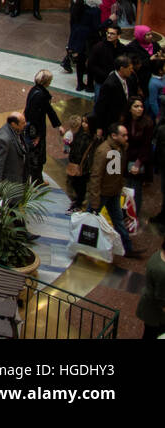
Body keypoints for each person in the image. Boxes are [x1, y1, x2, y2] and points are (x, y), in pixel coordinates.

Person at [87, 123, 140, 256]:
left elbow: (117, 171)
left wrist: (120, 186)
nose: (126, 138)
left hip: (113, 192)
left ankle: (128, 249)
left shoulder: (119, 148)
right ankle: (84, 246)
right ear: (114, 136)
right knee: (89, 222)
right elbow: (96, 176)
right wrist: (94, 200)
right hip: (102, 194)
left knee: (119, 221)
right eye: (124, 135)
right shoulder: (104, 151)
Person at [92, 55, 135, 138]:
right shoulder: (109, 84)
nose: (132, 71)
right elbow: (101, 106)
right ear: (122, 69)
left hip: (125, 119)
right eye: (129, 68)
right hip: (112, 122)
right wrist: (99, 127)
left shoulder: (129, 79)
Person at [136, 237, 165, 340]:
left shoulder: (158, 255)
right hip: (155, 313)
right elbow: (161, 298)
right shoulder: (162, 271)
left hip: (150, 305)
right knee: (151, 334)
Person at [0, 112, 29, 184]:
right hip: (8, 183)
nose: (25, 124)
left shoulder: (17, 130)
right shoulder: (3, 140)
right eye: (23, 123)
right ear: (14, 124)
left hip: (18, 176)